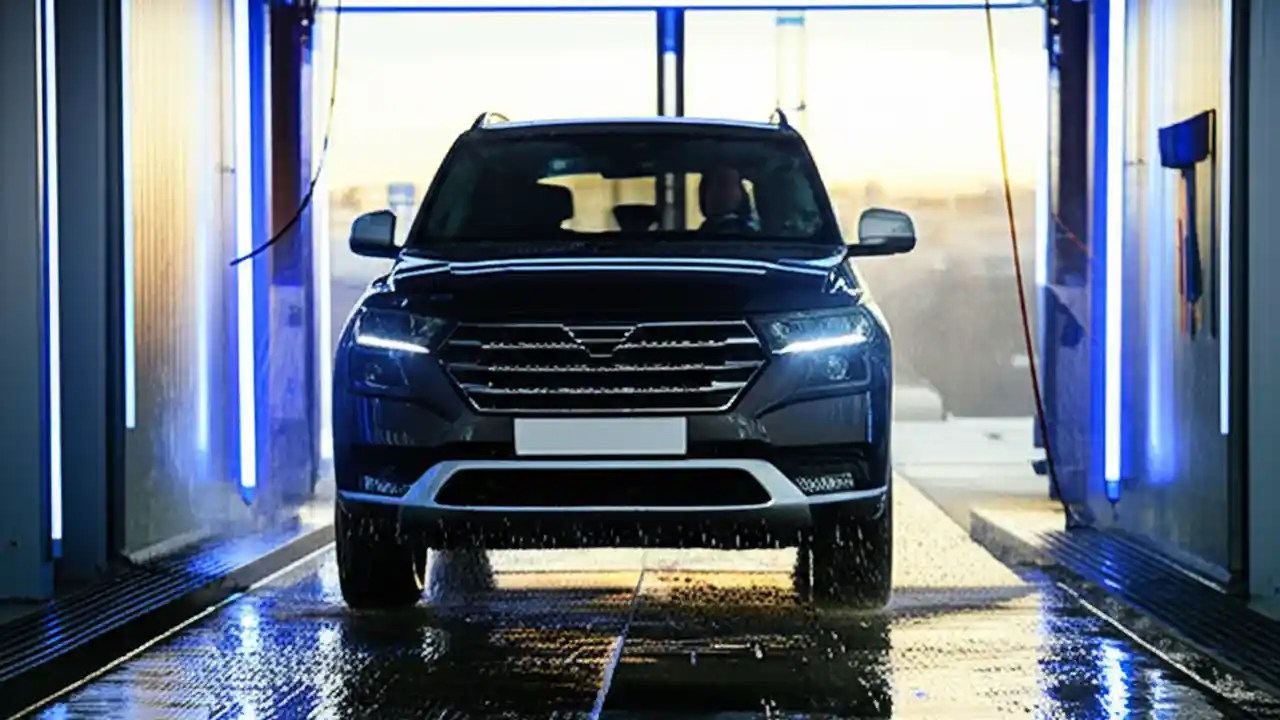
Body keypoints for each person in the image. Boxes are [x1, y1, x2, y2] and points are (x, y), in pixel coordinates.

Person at [698, 165, 759, 234]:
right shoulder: (692, 240)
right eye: (710, 184)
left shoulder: (755, 239)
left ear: (741, 192)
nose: (715, 190)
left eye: (723, 183)